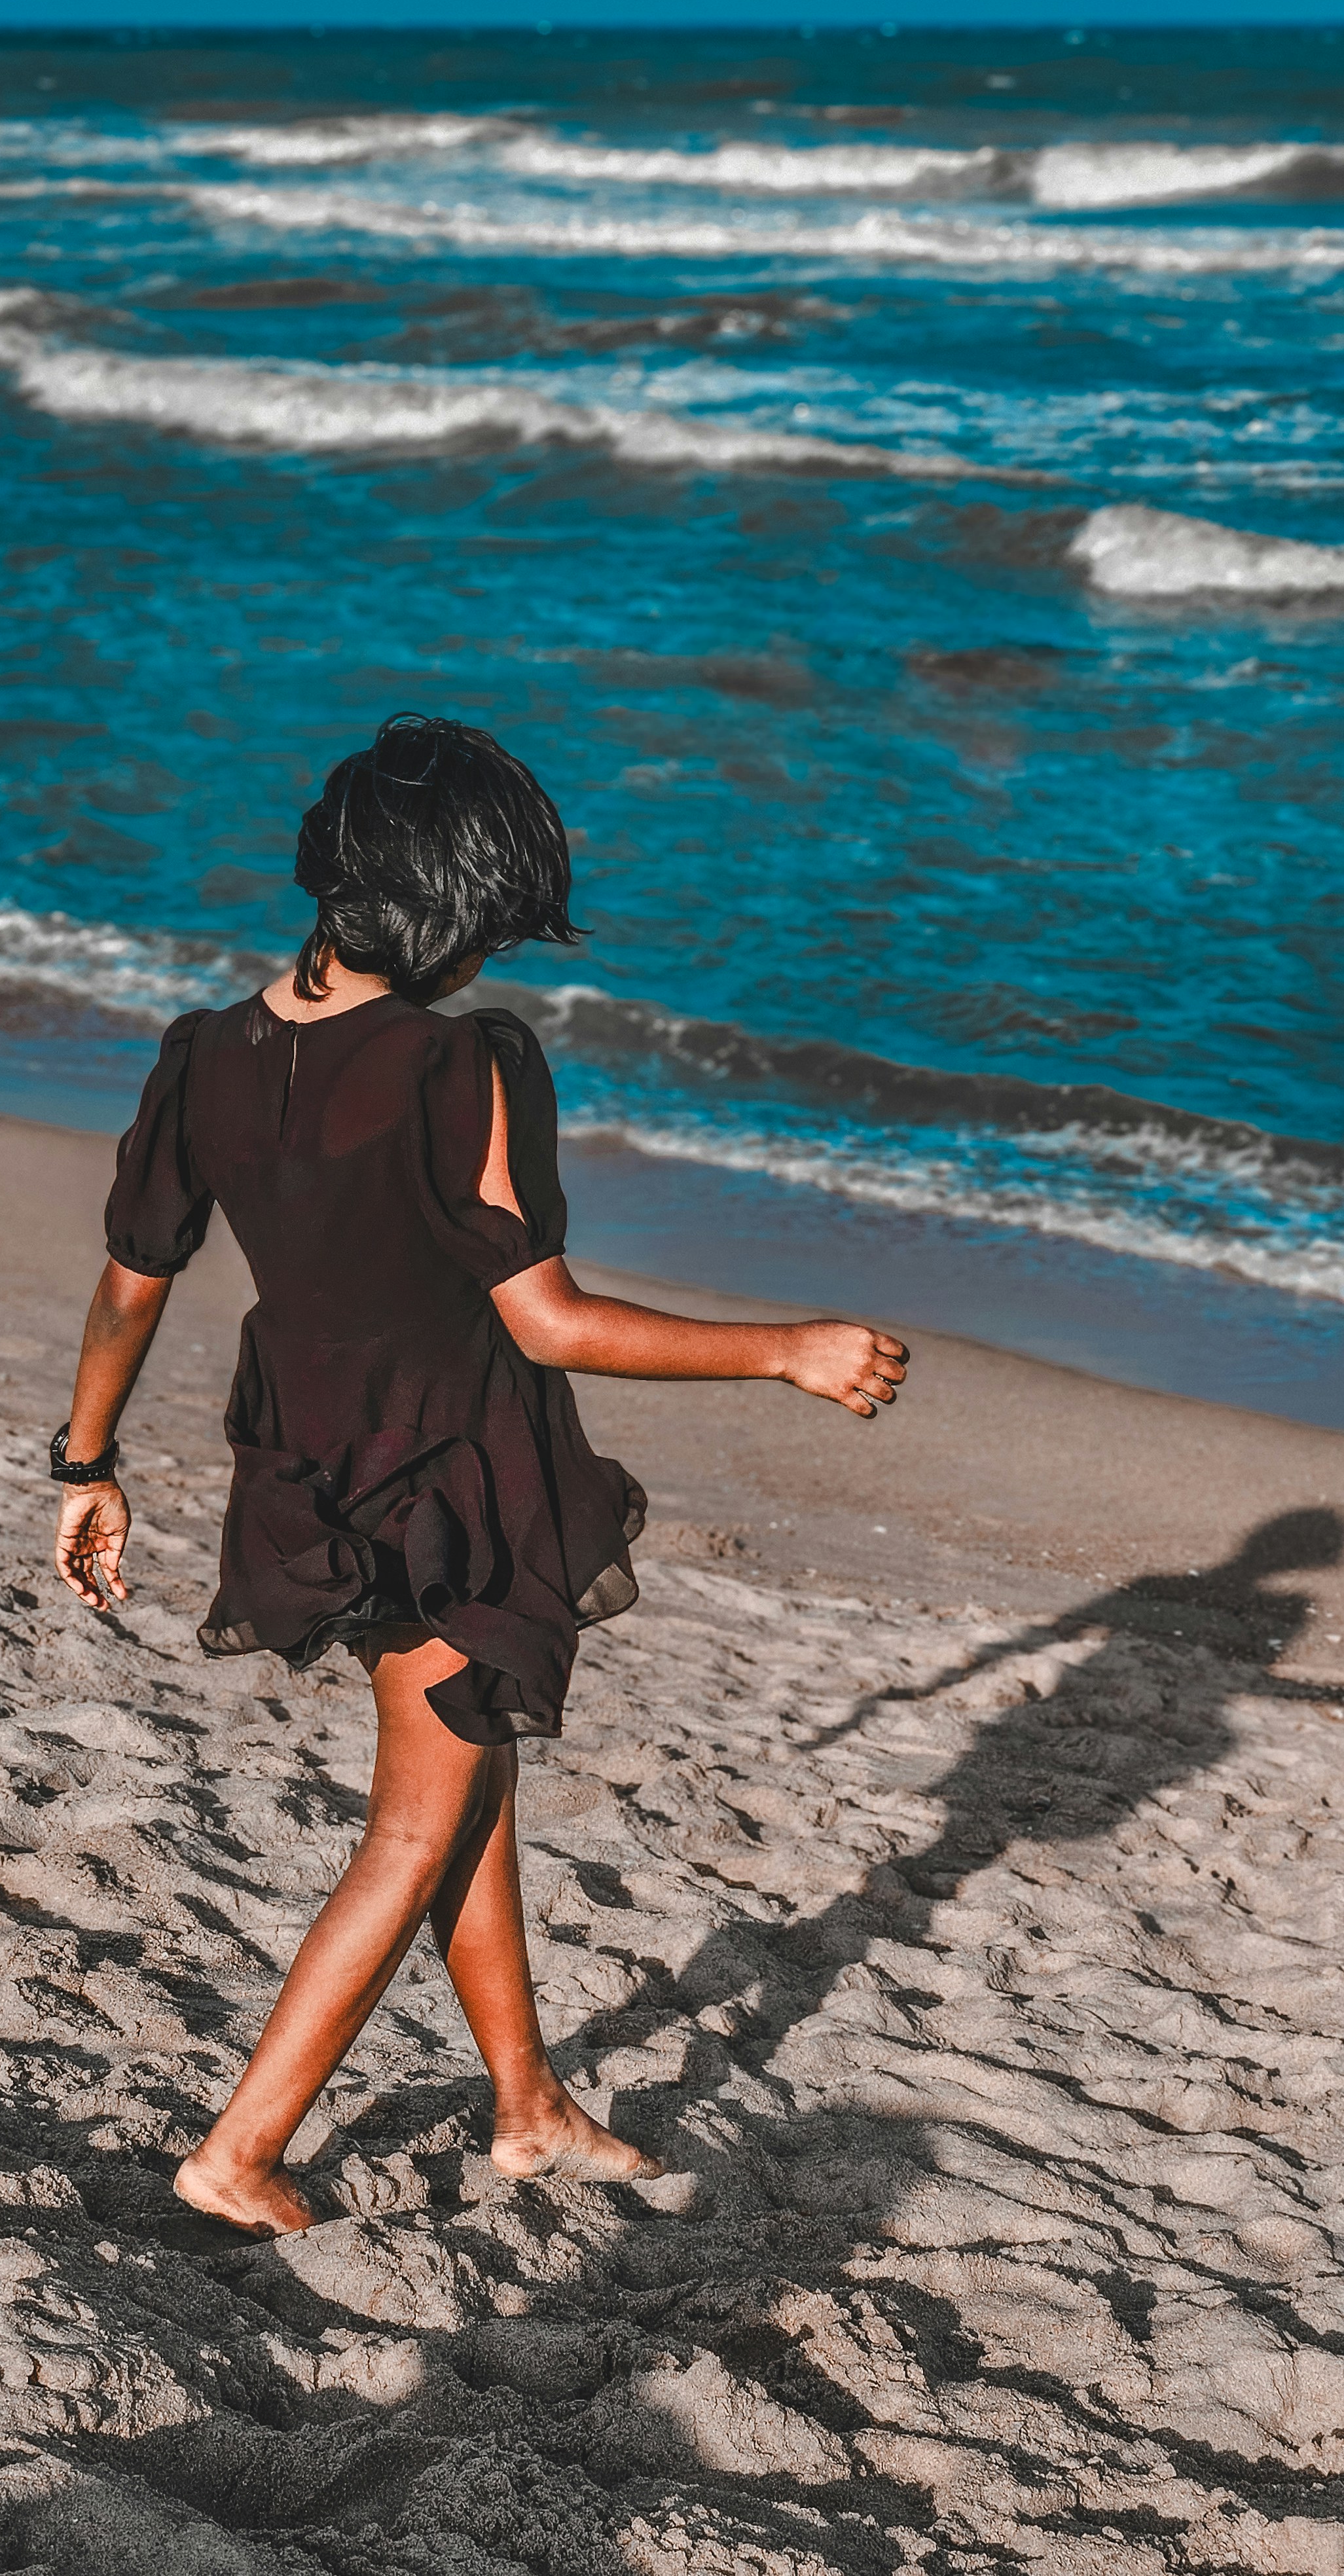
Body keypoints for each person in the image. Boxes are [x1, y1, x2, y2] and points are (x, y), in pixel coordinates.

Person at [52, 714, 909, 2237]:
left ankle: (526, 2106)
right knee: (410, 1823)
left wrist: (86, 1462)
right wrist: (785, 1347)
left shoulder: (206, 1056)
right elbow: (547, 1317)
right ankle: (237, 2149)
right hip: (448, 1471)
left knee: (466, 1779)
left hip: (307, 1458)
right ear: (454, 905)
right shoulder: (466, 1062)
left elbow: (132, 1280)